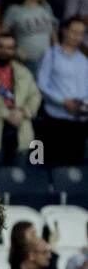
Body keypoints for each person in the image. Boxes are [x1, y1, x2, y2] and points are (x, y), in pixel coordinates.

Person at [0, 32, 42, 169]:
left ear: (14, 50)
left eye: (9, 48)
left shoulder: (23, 72)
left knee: (19, 178)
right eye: (1, 47)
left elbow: (35, 96)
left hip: (20, 128)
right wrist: (6, 114)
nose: (5, 51)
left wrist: (23, 112)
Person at [36, 19, 88, 168]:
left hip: (78, 118)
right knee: (52, 161)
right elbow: (41, 83)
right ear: (64, 31)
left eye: (81, 33)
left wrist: (82, 104)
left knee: (74, 162)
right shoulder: (51, 55)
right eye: (73, 32)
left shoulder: (84, 60)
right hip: (55, 116)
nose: (76, 37)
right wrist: (63, 101)